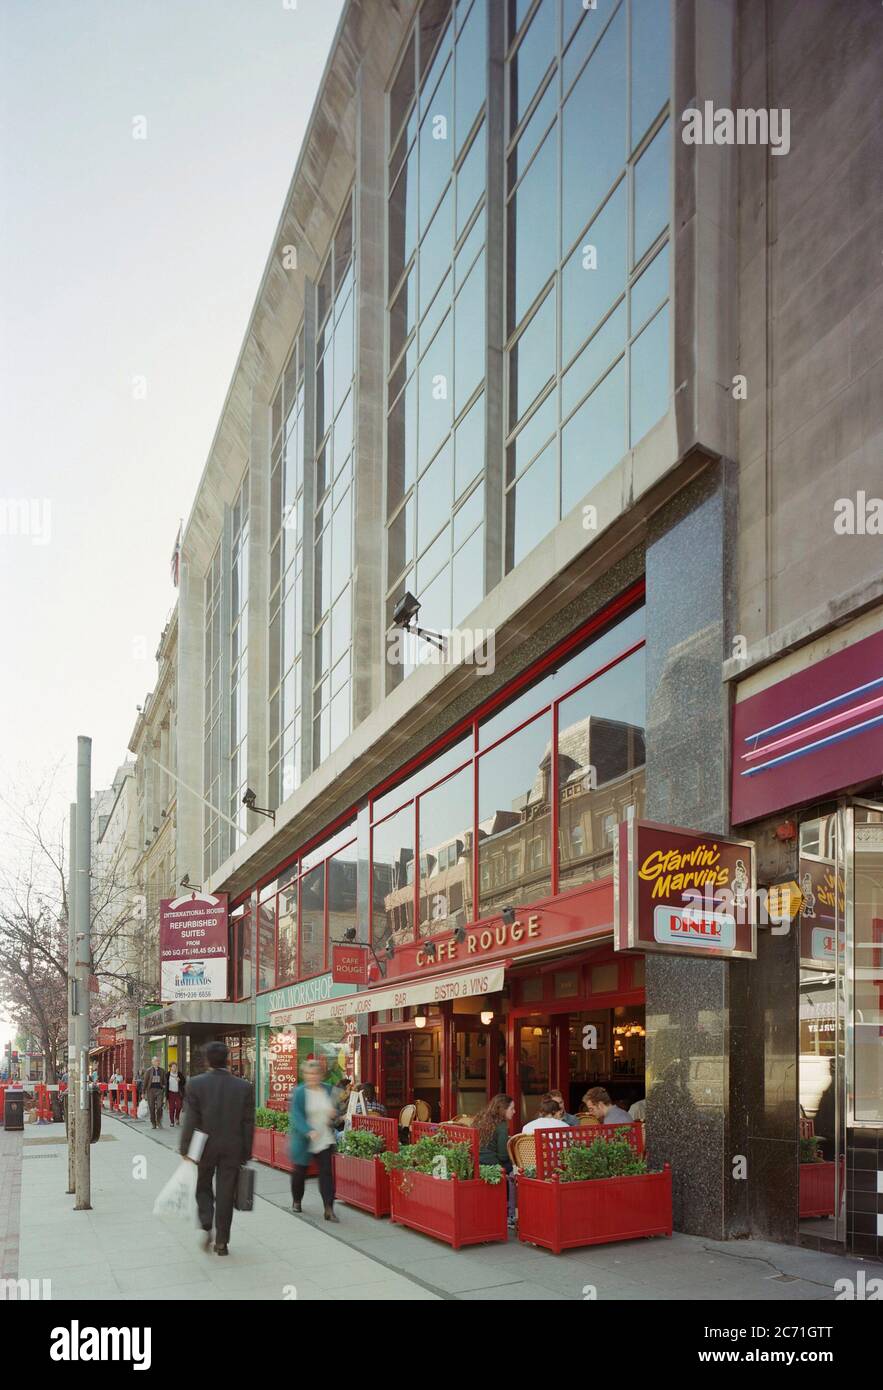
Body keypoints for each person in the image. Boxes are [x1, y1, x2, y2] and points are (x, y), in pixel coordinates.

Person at [180, 1040, 255, 1257]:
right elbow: (248, 1122)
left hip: (204, 1147)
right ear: (228, 1059)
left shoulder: (195, 1084)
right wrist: (247, 1152)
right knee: (225, 1194)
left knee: (203, 1186)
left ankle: (206, 1224)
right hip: (233, 1147)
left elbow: (191, 1120)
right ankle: (222, 1241)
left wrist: (186, 1149)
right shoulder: (244, 1087)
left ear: (207, 1061)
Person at [289, 1060, 339, 1222]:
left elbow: (337, 1108)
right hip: (304, 1139)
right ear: (305, 1075)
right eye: (309, 1074)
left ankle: (328, 1208)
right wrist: (307, 1131)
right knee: (299, 1173)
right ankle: (297, 1200)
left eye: (316, 1074)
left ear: (321, 1075)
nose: (312, 1077)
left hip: (323, 1137)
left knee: (326, 1173)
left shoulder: (329, 1089)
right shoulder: (299, 1092)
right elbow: (296, 1115)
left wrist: (334, 1113)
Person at [474, 1093, 516, 1228]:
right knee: (515, 1171)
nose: (514, 1112)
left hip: (476, 1162)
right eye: (512, 1108)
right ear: (503, 1109)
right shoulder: (502, 1125)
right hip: (492, 1163)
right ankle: (510, 1214)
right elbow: (503, 1156)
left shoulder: (480, 1118)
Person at [141, 1056, 167, 1128]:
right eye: (156, 1061)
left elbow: (165, 1081)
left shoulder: (162, 1070)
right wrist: (143, 1092)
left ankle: (159, 1121)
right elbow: (145, 1082)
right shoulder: (148, 1071)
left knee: (159, 1106)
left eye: (158, 1061)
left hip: (159, 1090)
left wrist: (164, 1086)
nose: (157, 1062)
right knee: (151, 1107)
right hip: (151, 1091)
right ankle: (153, 1122)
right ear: (152, 1062)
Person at [165, 1062, 187, 1126]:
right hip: (170, 1093)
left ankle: (177, 1117)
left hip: (178, 1093)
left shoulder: (179, 1074)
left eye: (175, 1066)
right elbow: (165, 1084)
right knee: (172, 1108)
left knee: (179, 1106)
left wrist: (179, 1080)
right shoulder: (167, 1075)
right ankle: (172, 1122)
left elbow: (184, 1082)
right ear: (170, 1068)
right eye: (173, 1067)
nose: (175, 1068)